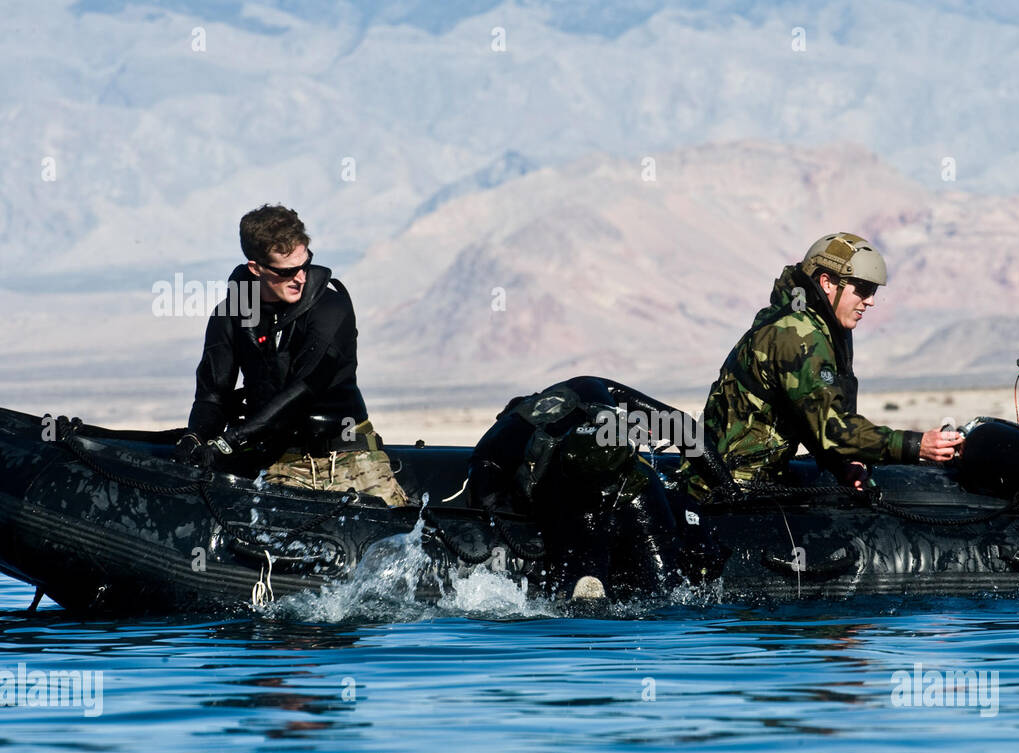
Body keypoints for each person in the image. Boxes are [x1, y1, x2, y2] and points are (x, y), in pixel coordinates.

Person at [683, 232, 964, 498]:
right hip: (728, 488)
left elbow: (807, 416)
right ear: (827, 283)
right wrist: (916, 446)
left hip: (749, 480)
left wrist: (841, 465)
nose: (871, 301)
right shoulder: (796, 334)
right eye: (863, 289)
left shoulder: (815, 327)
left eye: (873, 291)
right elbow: (833, 429)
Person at [172, 204, 408, 507]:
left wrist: (229, 442)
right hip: (277, 464)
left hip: (349, 462)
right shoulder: (231, 313)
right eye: (286, 272)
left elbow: (304, 388)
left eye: (305, 264)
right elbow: (212, 396)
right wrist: (196, 439)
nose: (299, 277)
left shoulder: (331, 308)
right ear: (256, 268)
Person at [467, 377, 722, 599]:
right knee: (666, 594)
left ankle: (585, 581)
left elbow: (488, 508)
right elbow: (681, 426)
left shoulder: (494, 441)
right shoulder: (587, 385)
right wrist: (728, 489)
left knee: (579, 591)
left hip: (574, 503)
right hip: (638, 487)